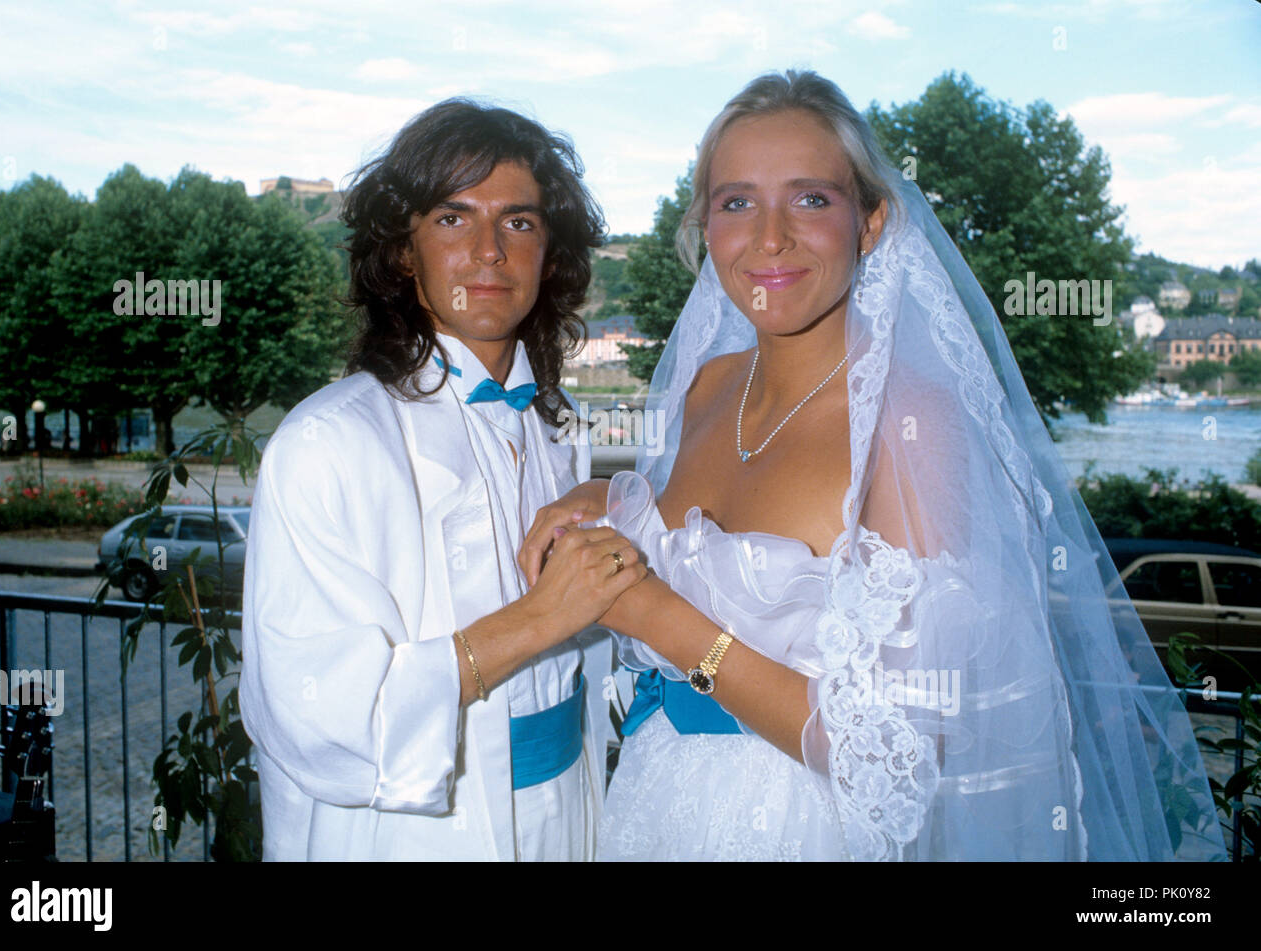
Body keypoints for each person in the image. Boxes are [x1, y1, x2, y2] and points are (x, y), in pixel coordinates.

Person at [521, 70, 1227, 861]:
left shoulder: (912, 420)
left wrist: (655, 617)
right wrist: (612, 503)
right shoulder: (703, 389)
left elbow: (891, 757)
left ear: (873, 222)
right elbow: (697, 547)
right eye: (737, 202)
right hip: (653, 809)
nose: (770, 236)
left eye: (812, 199)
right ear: (705, 227)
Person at [239, 99, 646, 861]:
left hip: (572, 815)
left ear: (549, 252)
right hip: (416, 834)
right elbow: (314, 717)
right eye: (453, 219)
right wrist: (541, 617)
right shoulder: (325, 444)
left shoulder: (557, 429)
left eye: (519, 222)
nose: (490, 251)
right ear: (402, 251)